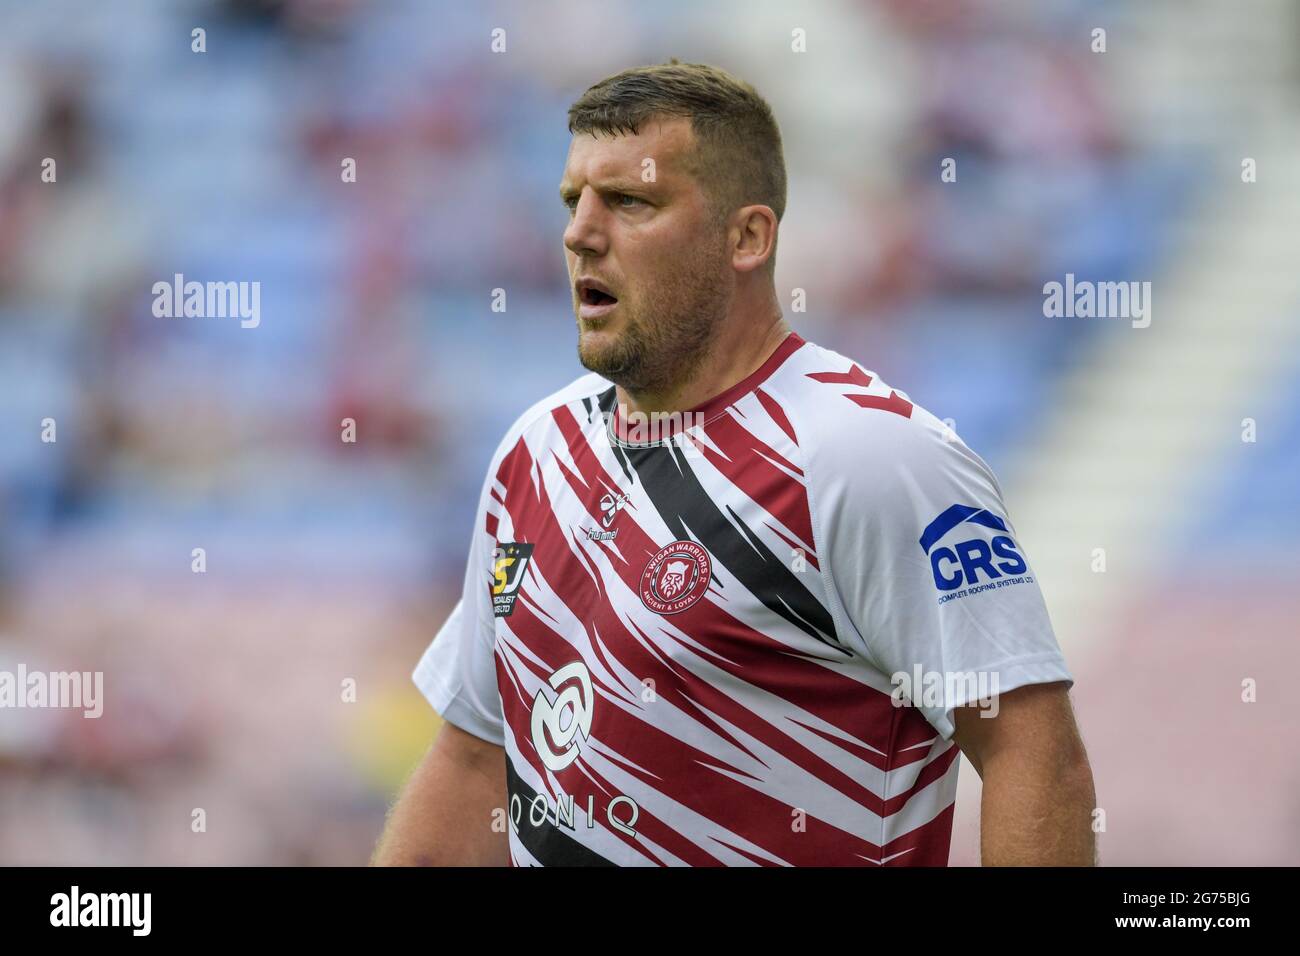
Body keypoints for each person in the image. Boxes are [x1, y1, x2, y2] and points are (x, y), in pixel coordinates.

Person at [373, 61, 1094, 867]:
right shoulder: (532, 454)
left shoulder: (870, 459)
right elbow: (474, 758)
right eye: (574, 200)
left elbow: (1034, 755)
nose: (581, 231)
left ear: (747, 237)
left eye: (631, 201)